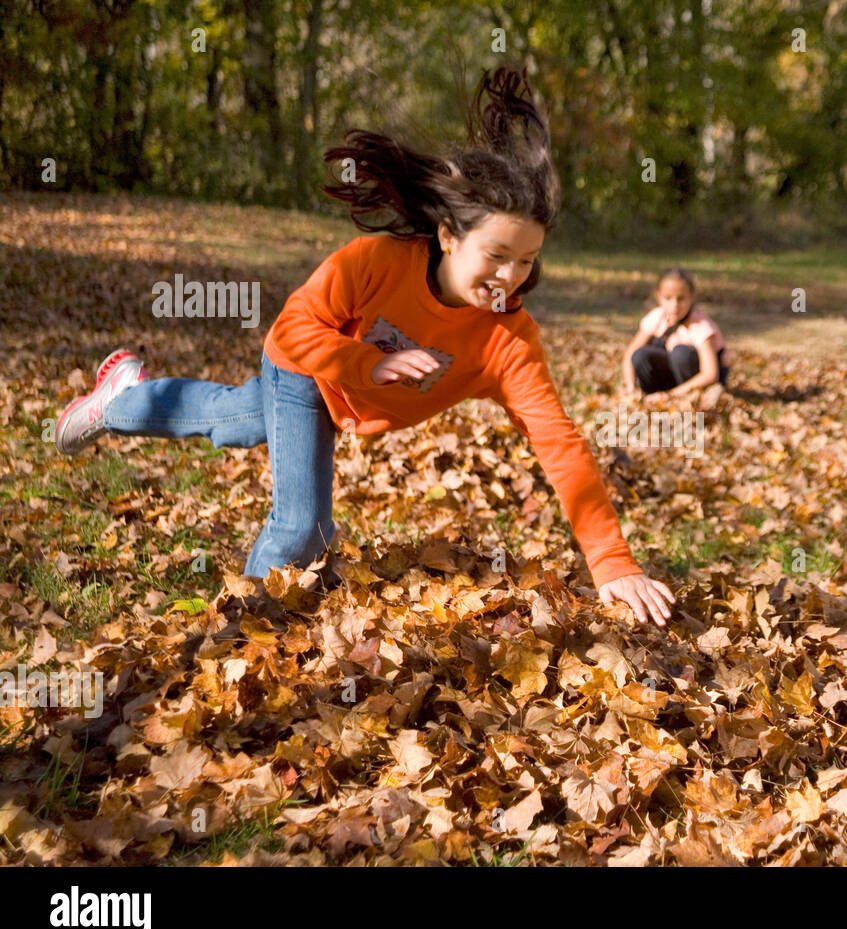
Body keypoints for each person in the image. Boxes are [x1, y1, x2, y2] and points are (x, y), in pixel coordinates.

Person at [52, 65, 675, 627]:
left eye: (528, 261)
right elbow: (296, 329)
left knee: (234, 420)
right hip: (302, 366)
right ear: (449, 236)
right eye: (498, 256)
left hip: (342, 392)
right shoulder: (379, 261)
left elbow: (559, 443)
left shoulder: (508, 341)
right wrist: (369, 363)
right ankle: (237, 638)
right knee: (302, 526)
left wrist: (611, 559)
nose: (511, 276)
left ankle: (122, 397)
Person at [621, 267, 730, 400]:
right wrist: (630, 388)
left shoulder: (701, 326)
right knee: (640, 355)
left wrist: (669, 396)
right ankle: (650, 395)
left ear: (692, 297)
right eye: (668, 298)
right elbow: (629, 355)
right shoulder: (657, 318)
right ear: (658, 296)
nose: (675, 305)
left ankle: (682, 398)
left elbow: (710, 374)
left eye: (681, 299)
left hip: (692, 384)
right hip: (669, 381)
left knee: (681, 353)